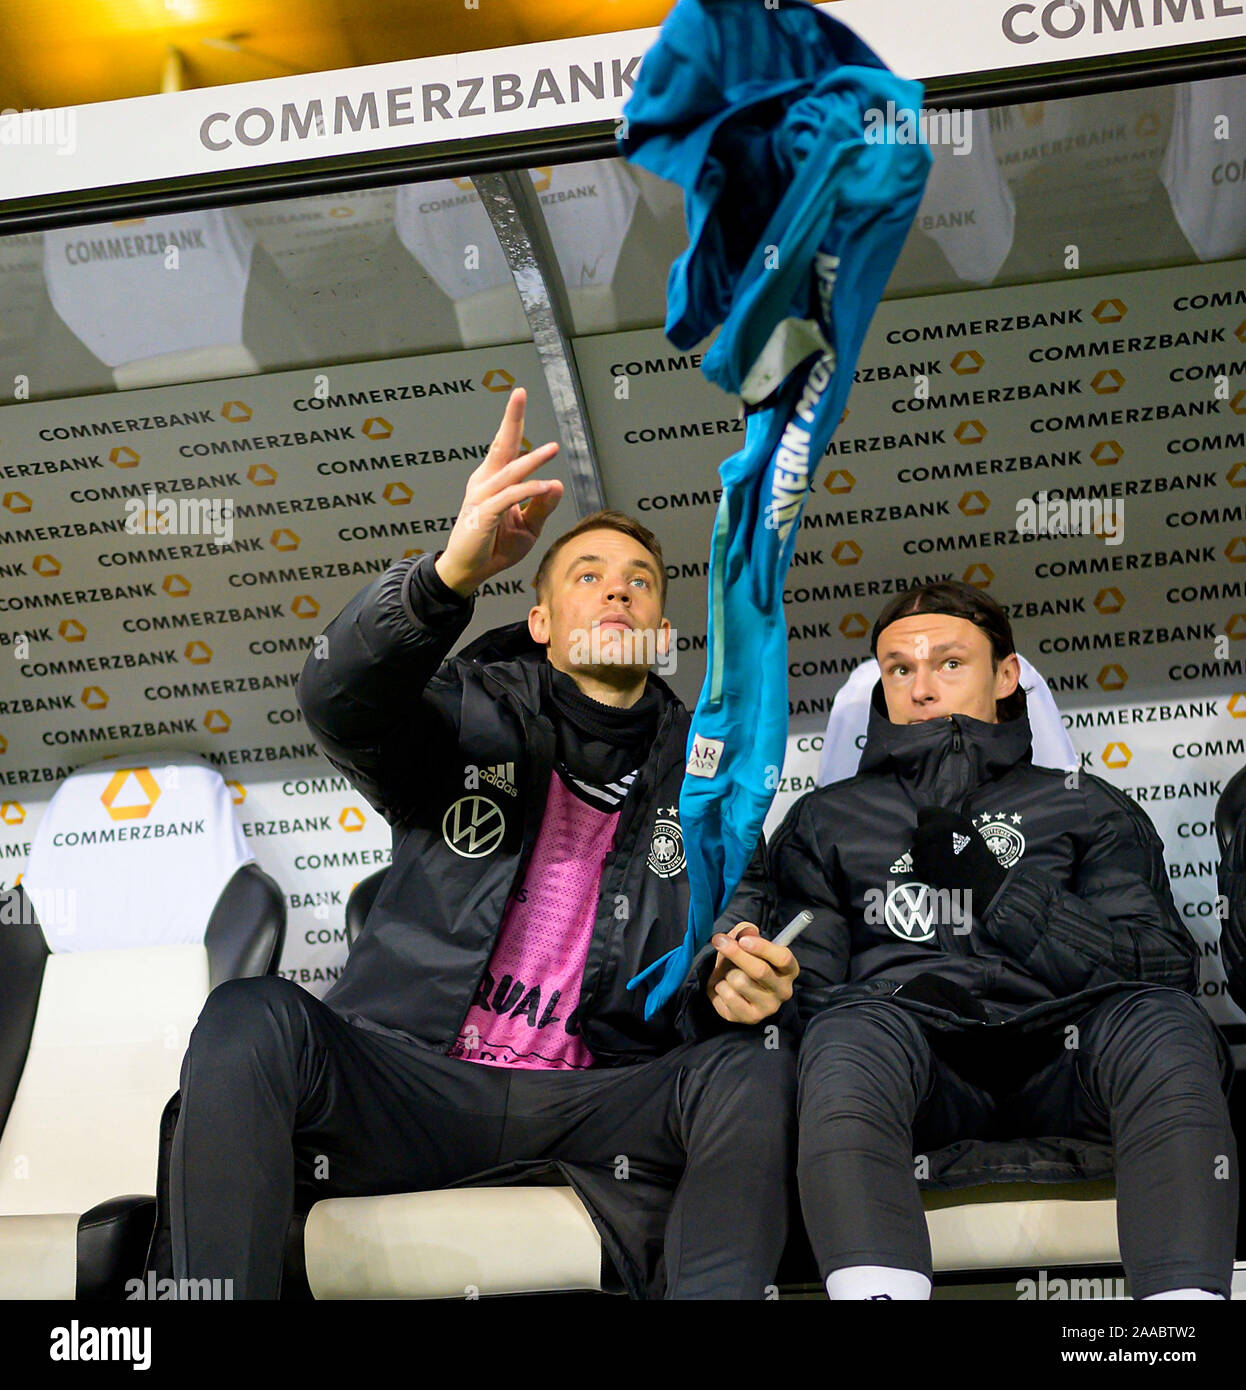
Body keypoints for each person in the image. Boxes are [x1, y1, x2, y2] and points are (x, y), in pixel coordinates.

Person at [165, 386, 798, 1300]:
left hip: (593, 1099)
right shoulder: (468, 714)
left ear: (661, 634)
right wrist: (446, 578)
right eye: (585, 575)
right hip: (419, 1080)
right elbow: (336, 699)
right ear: (540, 624)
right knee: (248, 1018)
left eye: (639, 580)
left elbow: (721, 954)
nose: (616, 586)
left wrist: (737, 988)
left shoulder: (714, 788)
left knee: (752, 1068)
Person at [769, 578, 1236, 1301]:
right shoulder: (826, 820)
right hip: (918, 1066)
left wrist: (1004, 892)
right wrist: (891, 999)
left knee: (1163, 1022)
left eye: (950, 662)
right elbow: (808, 993)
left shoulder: (1085, 803)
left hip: (1068, 1062)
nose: (922, 687)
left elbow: (1162, 964)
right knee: (844, 1033)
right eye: (900, 668)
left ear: (1006, 675)